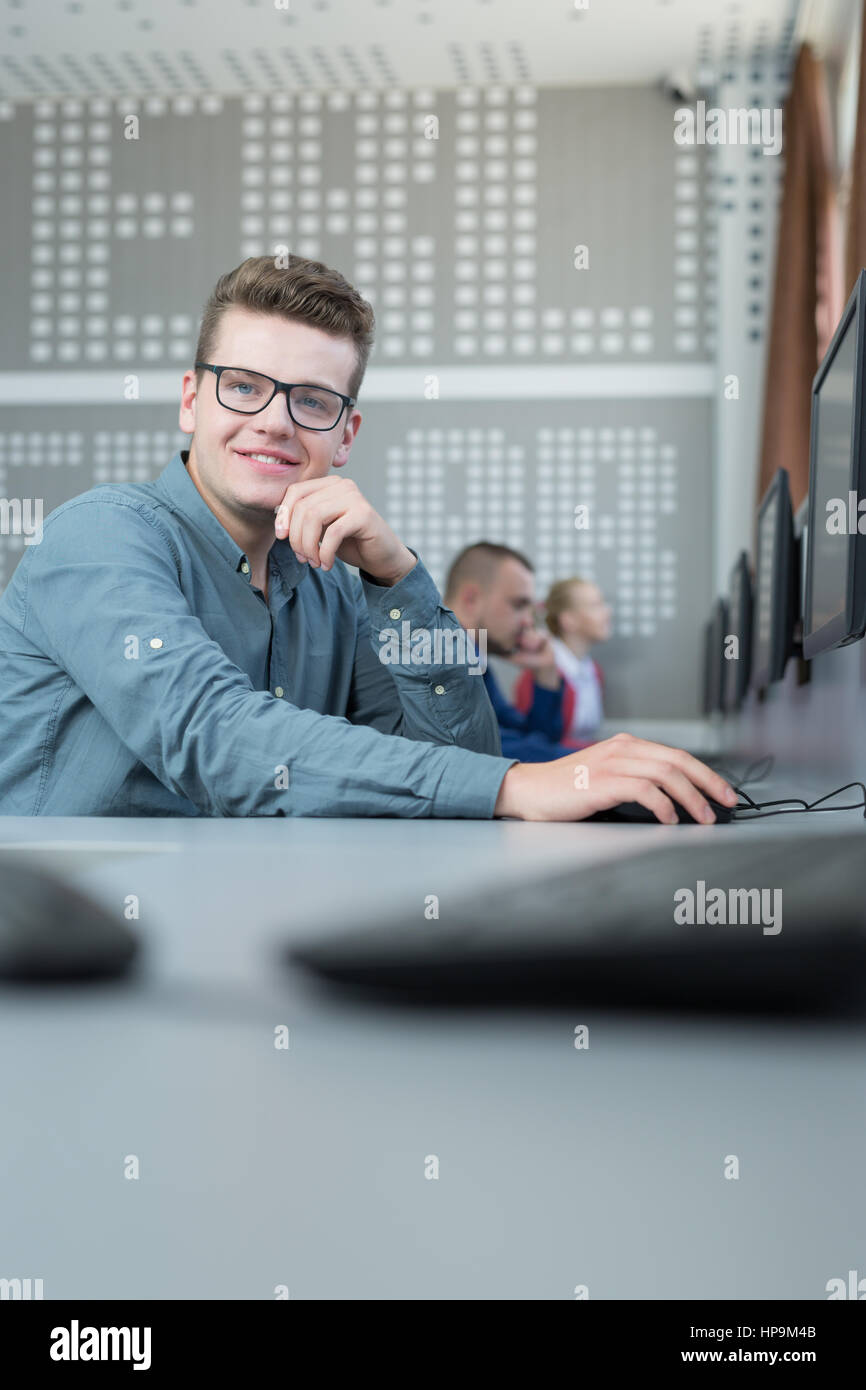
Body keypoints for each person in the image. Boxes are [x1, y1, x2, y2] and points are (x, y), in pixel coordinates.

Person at [0, 252, 735, 825]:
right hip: (62, 949)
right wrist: (516, 783)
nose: (275, 422)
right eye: (245, 386)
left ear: (345, 435)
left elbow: (458, 761)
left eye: (311, 400)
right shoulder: (99, 537)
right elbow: (215, 736)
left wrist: (397, 578)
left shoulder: (336, 588)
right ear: (193, 401)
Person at [442, 543, 589, 762]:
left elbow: (535, 739)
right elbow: (499, 753)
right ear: (471, 599)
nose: (528, 621)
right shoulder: (445, 659)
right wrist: (606, 762)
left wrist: (546, 672)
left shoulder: (474, 660)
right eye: (519, 605)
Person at [513, 577, 611, 744]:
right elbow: (536, 743)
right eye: (596, 606)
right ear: (568, 620)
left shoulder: (594, 670)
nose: (607, 612)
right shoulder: (539, 675)